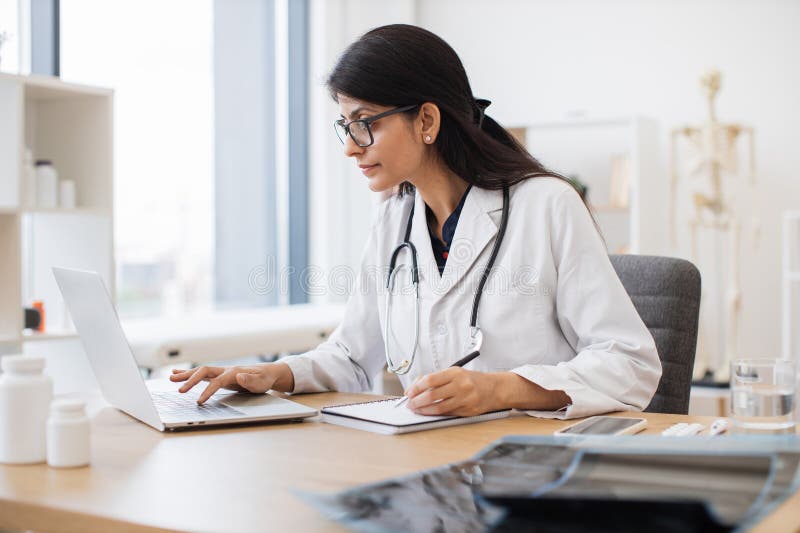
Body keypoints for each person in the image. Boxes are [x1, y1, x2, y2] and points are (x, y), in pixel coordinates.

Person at [172, 24, 661, 419]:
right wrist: (272, 375)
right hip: (429, 464)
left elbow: (630, 363)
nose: (350, 145)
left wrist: (501, 389)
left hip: (534, 470)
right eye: (346, 125)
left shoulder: (547, 206)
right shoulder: (394, 220)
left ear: (426, 121)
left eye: (366, 123)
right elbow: (350, 355)